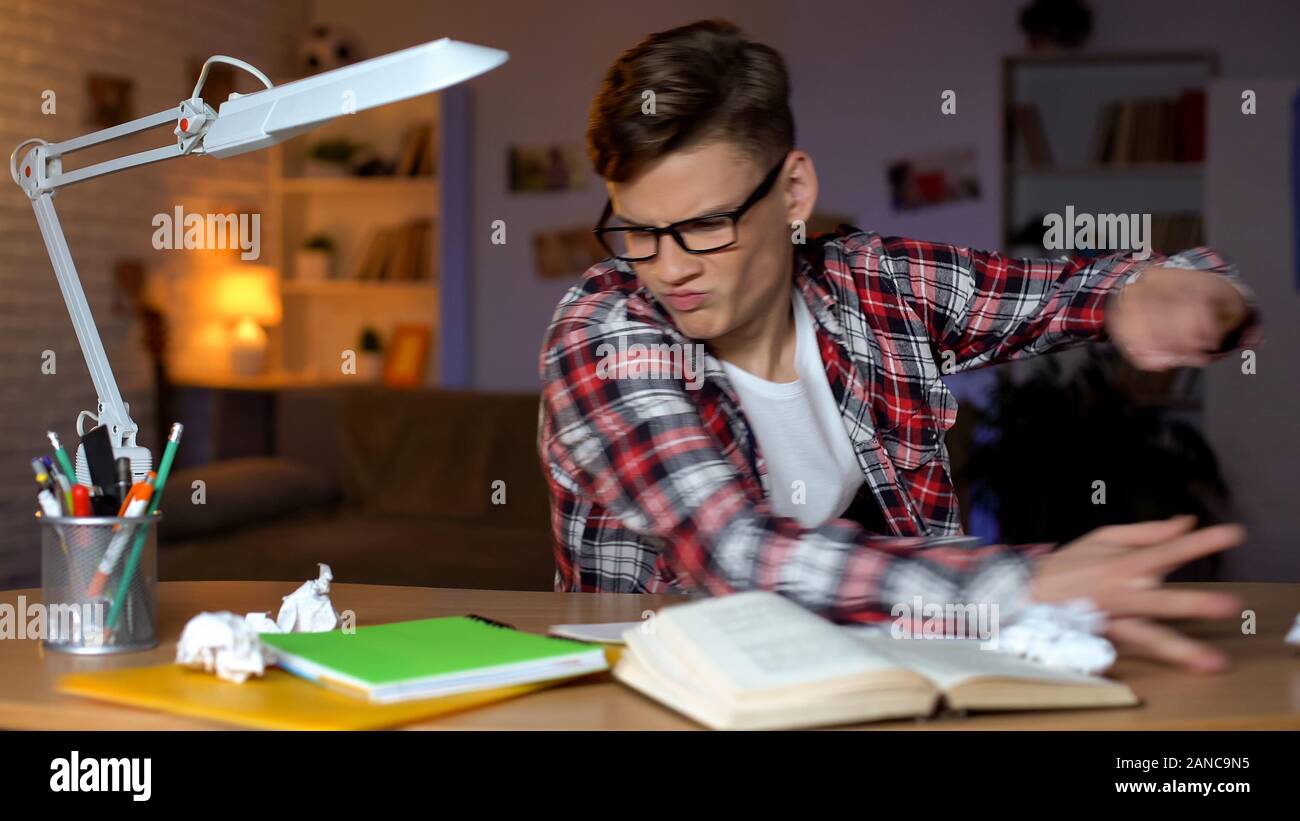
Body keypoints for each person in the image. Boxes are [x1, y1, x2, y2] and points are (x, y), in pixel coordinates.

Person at [538, 19, 1259, 672]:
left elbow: (1097, 284)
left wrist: (1184, 293)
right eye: (637, 230)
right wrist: (1024, 585)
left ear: (794, 191)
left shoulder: (875, 282)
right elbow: (736, 553)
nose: (668, 266)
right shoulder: (605, 332)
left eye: (705, 225)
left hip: (882, 669)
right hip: (660, 694)